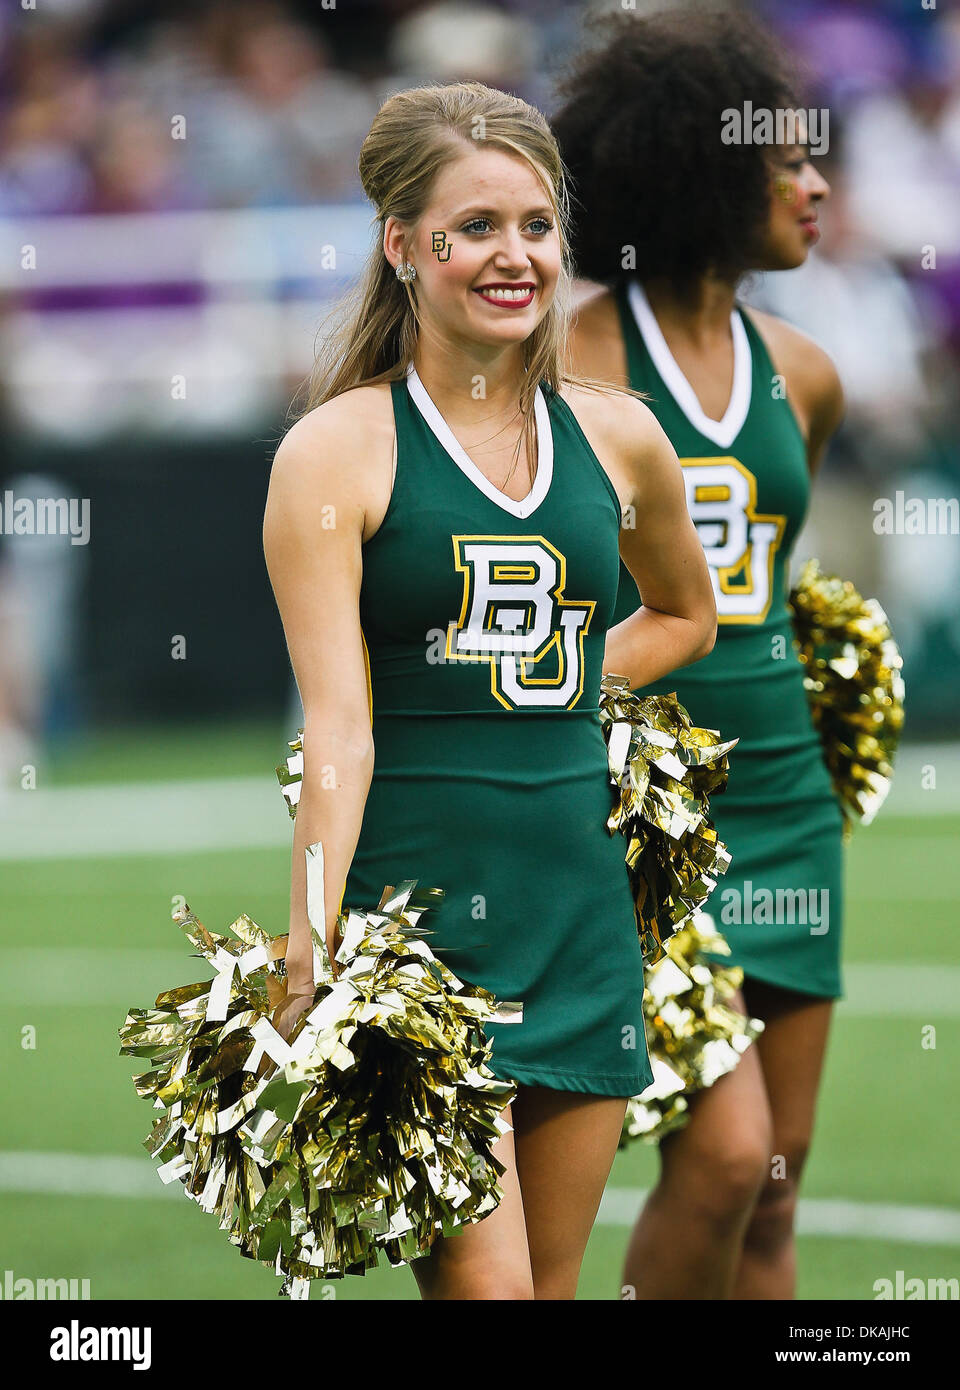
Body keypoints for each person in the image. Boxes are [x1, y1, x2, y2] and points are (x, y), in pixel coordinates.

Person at [261, 80, 716, 1300]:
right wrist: (310, 960)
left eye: (536, 225)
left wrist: (551, 689)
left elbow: (686, 613)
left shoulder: (618, 435)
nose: (514, 256)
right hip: (419, 943)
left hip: (580, 921)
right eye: (474, 228)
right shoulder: (337, 450)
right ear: (403, 245)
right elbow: (339, 734)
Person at [552, 9, 846, 1300]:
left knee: (775, 1188)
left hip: (787, 799)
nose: (817, 184)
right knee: (721, 1158)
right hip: (648, 810)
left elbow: (770, 588)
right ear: (692, 167)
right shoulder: (567, 357)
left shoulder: (807, 372)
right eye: (786, 162)